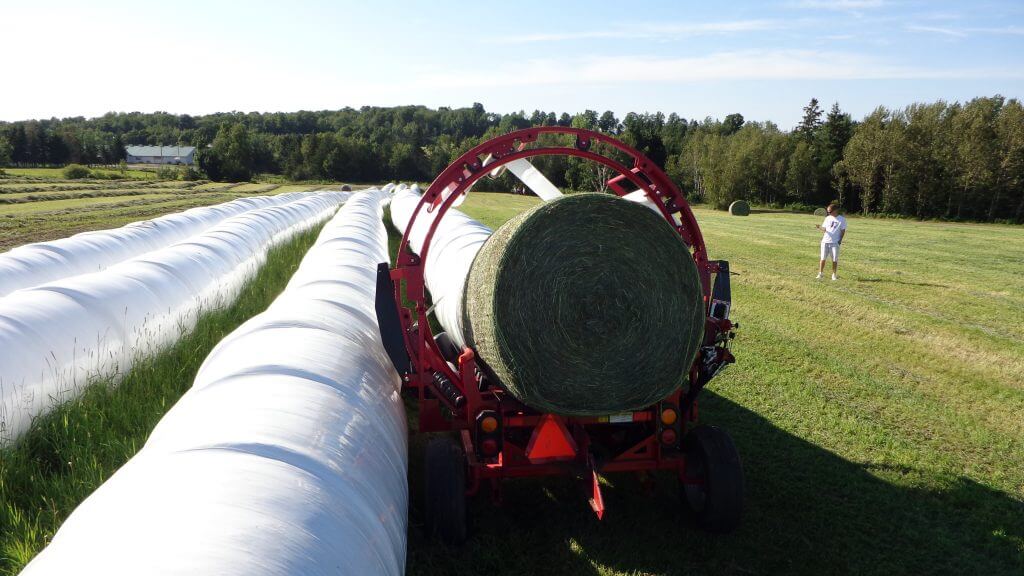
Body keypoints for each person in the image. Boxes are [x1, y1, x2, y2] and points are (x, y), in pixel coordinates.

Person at [815, 203, 847, 280]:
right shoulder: (827, 218)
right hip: (825, 241)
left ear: (835, 210)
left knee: (834, 259)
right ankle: (820, 273)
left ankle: (834, 275)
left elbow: (843, 231)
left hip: (835, 242)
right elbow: (825, 229)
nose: (828, 213)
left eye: (830, 211)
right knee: (822, 258)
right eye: (828, 212)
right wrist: (819, 227)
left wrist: (839, 241)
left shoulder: (842, 219)